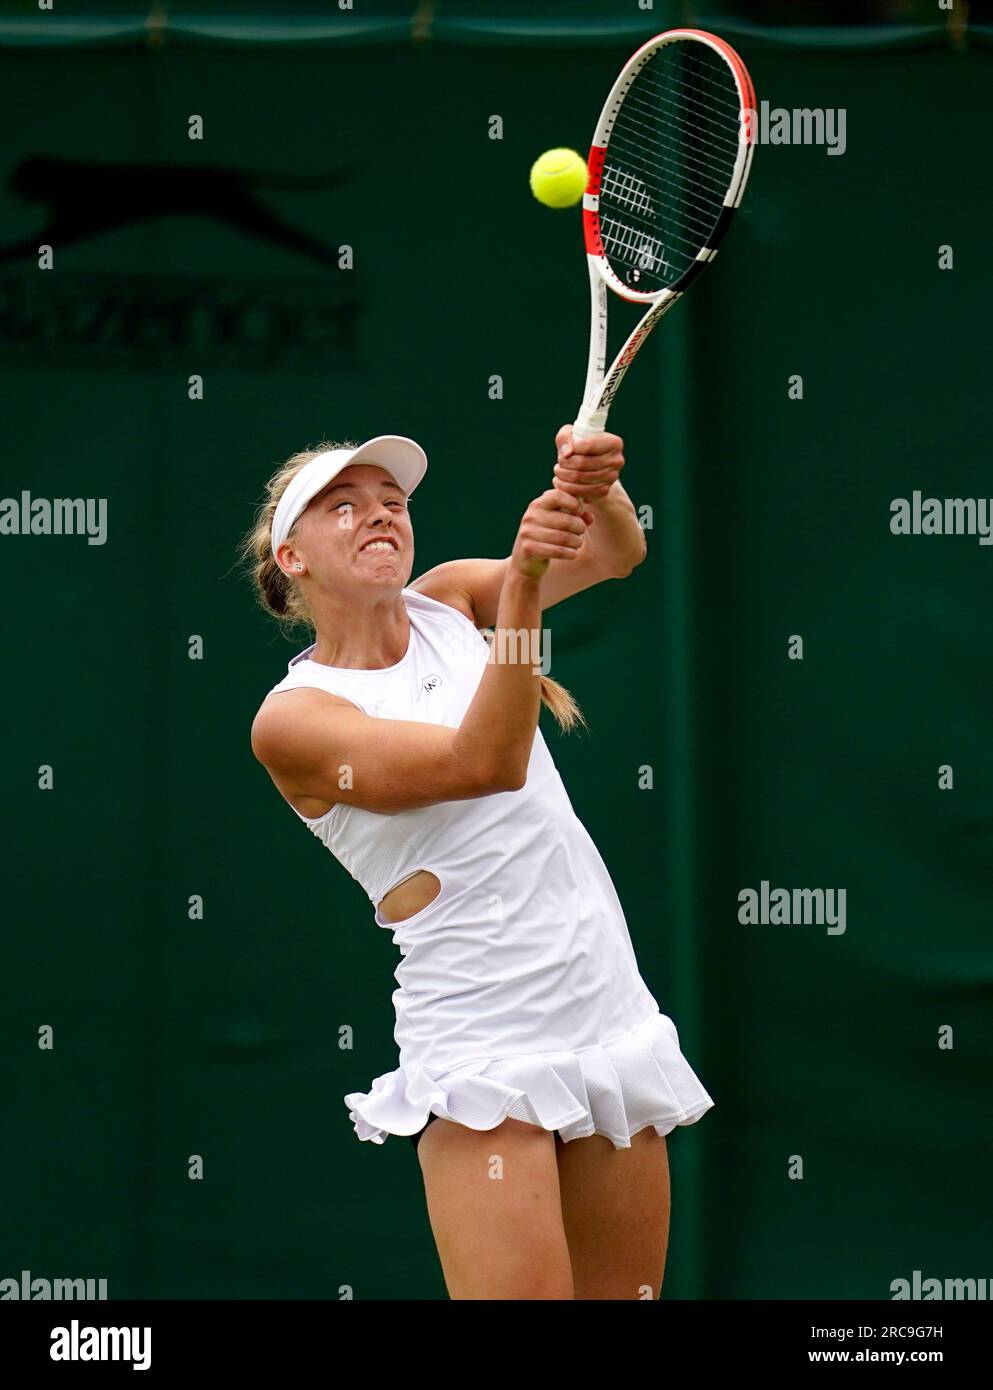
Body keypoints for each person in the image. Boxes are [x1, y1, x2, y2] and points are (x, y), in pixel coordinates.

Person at [242, 427, 714, 1299]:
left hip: (604, 1006)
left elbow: (616, 552)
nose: (377, 515)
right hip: (482, 1042)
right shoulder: (294, 721)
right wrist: (525, 588)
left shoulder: (452, 598)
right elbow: (484, 763)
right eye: (341, 506)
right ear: (291, 559)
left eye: (391, 501)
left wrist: (598, 485)